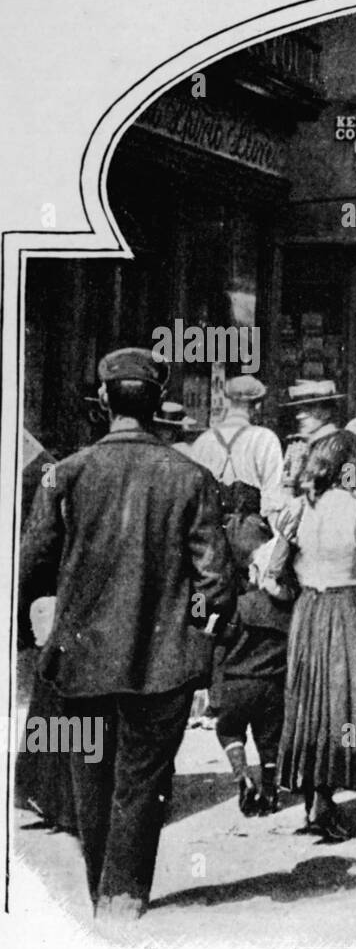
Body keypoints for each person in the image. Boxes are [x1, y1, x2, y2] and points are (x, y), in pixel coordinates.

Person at [18, 348, 236, 919]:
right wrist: (192, 635)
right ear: (156, 406)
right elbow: (214, 585)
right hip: (163, 664)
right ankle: (124, 894)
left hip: (80, 659)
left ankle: (100, 891)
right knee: (143, 780)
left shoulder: (64, 474)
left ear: (106, 402)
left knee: (89, 774)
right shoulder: (193, 478)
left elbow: (31, 567)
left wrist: (39, 628)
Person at [272, 430, 356, 842]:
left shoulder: (296, 512)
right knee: (342, 704)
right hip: (349, 609)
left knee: (307, 700)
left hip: (308, 611)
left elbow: (276, 570)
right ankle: (327, 801)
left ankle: (312, 799)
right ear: (351, 470)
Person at [213, 538, 294, 816]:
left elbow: (222, 637)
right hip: (273, 685)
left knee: (229, 730)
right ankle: (270, 789)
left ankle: (243, 776)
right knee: (270, 739)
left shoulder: (241, 605)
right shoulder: (290, 609)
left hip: (238, 683)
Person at [190, 376, 285, 514]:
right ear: (257, 406)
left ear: (228, 402)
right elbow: (272, 498)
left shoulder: (203, 441)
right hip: (249, 528)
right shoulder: (265, 438)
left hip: (210, 528)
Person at [281, 379, 344, 498]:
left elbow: (347, 491)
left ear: (327, 412)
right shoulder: (299, 445)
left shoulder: (341, 446)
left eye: (308, 409)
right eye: (299, 409)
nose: (300, 416)